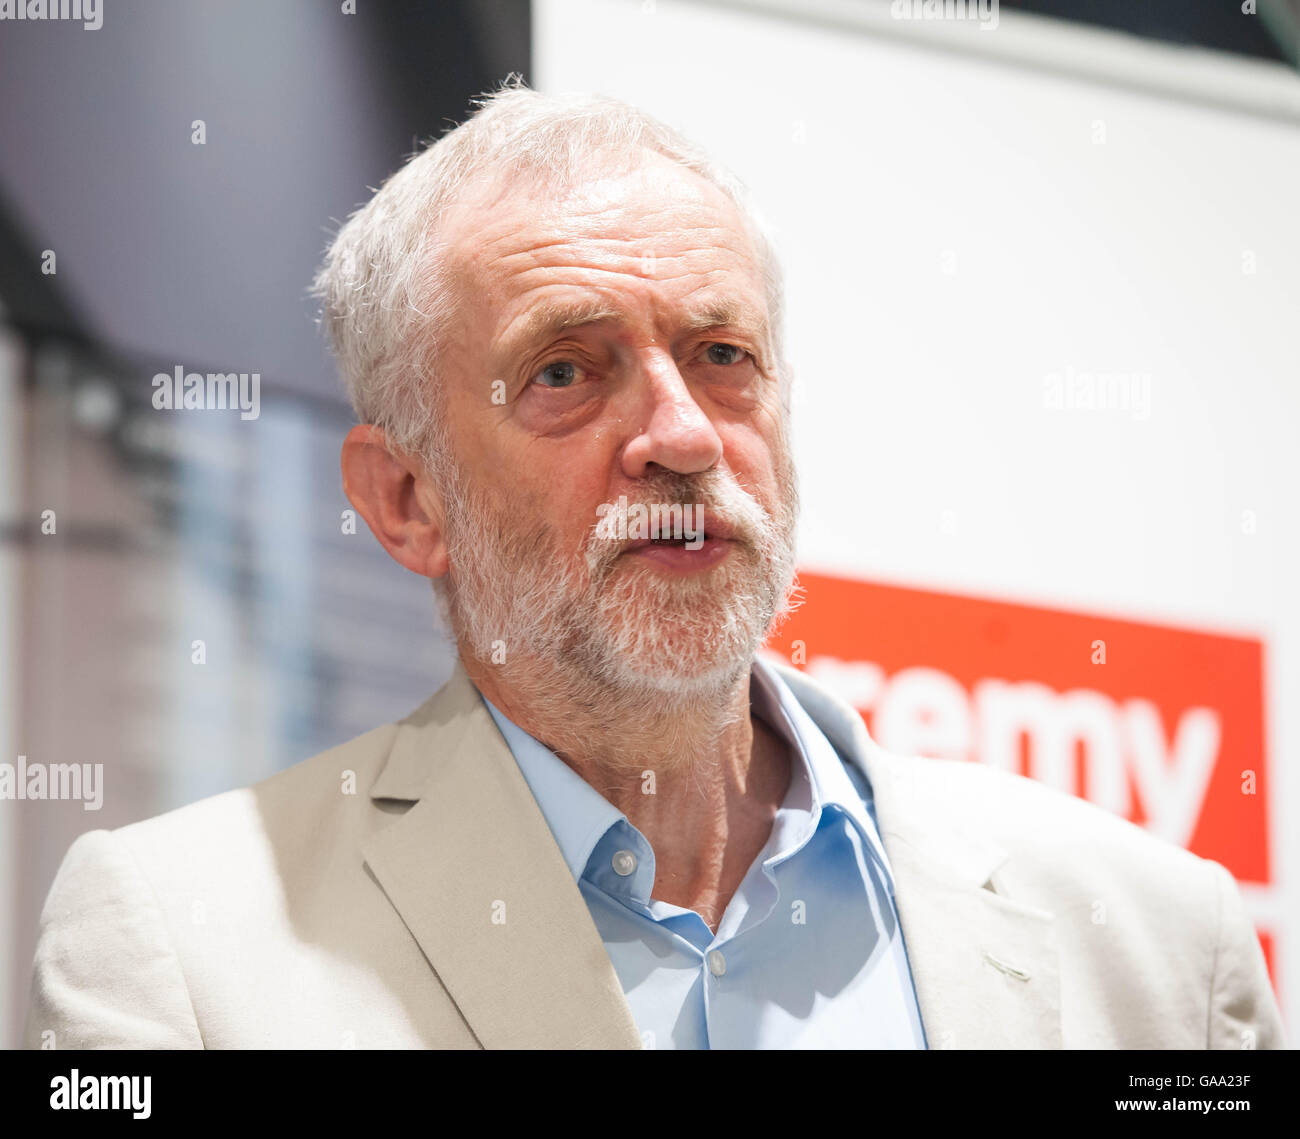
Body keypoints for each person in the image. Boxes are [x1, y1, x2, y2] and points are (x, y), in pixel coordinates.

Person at [24, 79, 1284, 1050]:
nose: (683, 436)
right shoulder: (177, 946)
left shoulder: (1159, 942)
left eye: (723, 354)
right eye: (566, 370)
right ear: (406, 500)